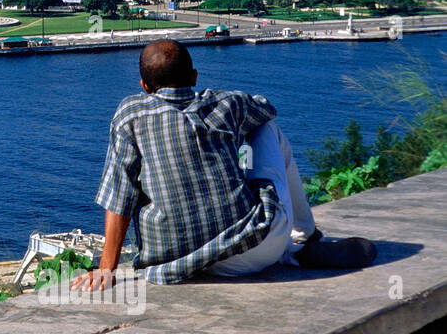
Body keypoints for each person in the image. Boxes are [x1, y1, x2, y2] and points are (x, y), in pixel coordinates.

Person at [74, 39, 376, 290]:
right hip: (254, 250)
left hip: (176, 264)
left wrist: (106, 269)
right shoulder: (227, 104)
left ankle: (298, 242)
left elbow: (120, 196)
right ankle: (304, 238)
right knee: (266, 128)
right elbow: (267, 109)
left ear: (143, 86)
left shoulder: (129, 116)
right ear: (194, 77)